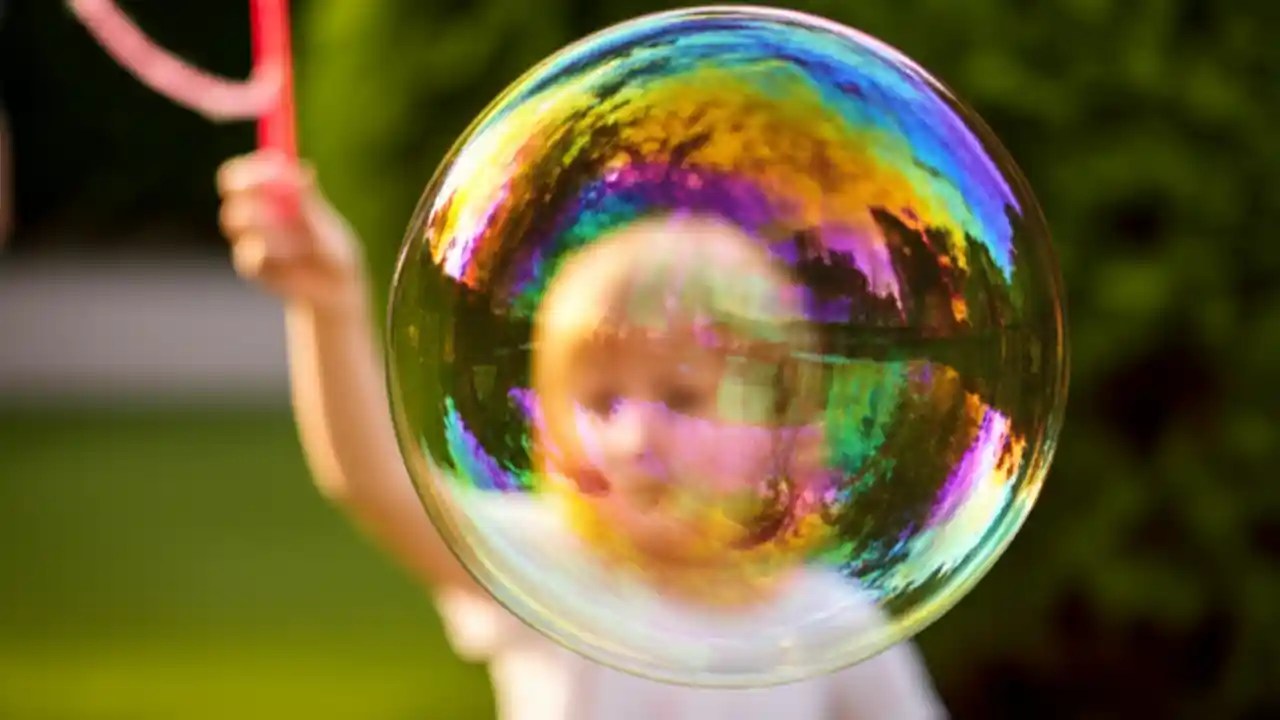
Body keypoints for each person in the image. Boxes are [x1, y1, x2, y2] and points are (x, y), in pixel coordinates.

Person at [216, 150, 947, 719]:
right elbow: (373, 481)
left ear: (781, 429)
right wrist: (332, 305)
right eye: (599, 402)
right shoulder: (551, 573)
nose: (633, 438)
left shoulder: (831, 626)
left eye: (683, 397)